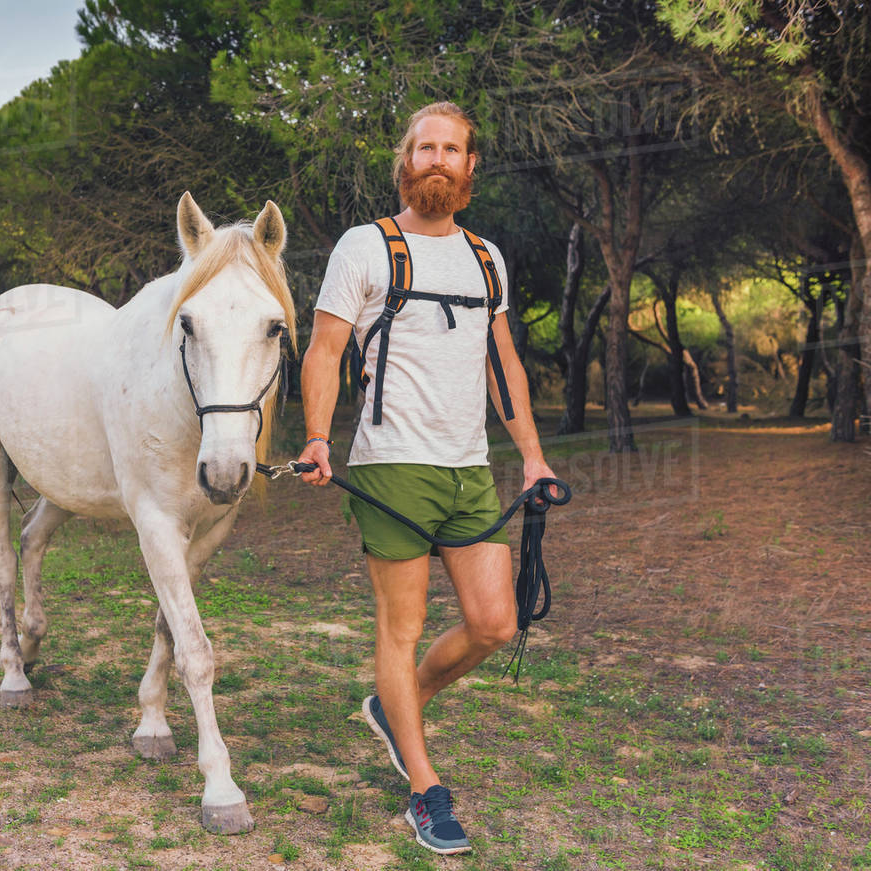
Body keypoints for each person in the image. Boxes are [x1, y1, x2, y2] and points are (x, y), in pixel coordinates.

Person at [295, 102, 557, 855]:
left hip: (469, 465)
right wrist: (317, 436)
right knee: (400, 628)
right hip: (392, 466)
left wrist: (532, 456)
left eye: (453, 149)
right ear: (404, 162)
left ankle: (397, 702)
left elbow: (502, 364)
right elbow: (323, 350)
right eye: (425, 148)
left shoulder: (487, 258)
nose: (438, 159)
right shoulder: (364, 247)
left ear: (472, 166)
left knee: (496, 623)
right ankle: (424, 789)